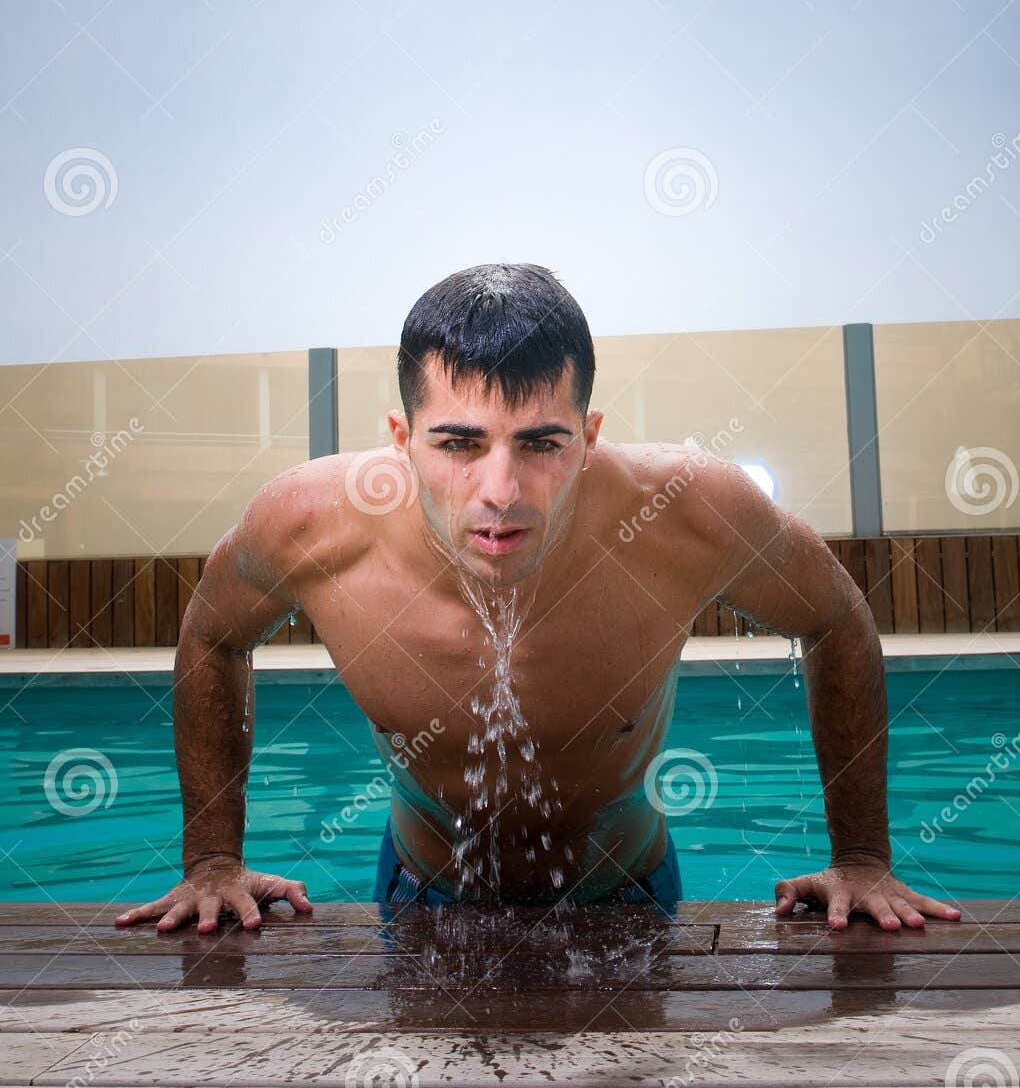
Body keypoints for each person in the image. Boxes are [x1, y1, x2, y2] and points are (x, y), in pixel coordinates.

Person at [116, 262, 961, 935]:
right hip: (420, 893)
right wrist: (213, 862)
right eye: (458, 443)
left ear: (588, 438)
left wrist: (860, 858)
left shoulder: (692, 513)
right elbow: (212, 635)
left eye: (540, 444)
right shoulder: (309, 524)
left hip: (625, 893)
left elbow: (835, 617)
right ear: (402, 439)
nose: (500, 490)